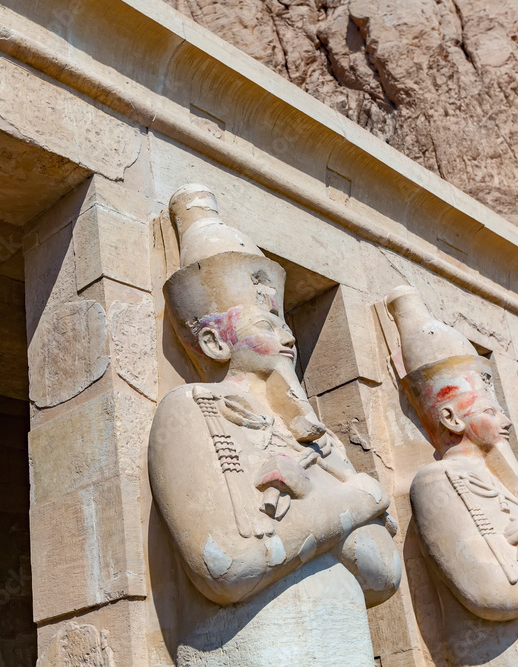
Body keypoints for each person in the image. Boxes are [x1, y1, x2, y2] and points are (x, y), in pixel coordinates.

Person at [149, 183, 400, 665]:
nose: (287, 339)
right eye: (267, 326)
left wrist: (326, 493)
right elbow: (226, 565)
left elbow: (382, 573)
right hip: (255, 646)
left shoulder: (308, 436)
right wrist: (353, 499)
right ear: (215, 342)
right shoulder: (191, 408)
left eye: (287, 327)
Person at [387, 286, 518, 666]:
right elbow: (496, 593)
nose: (505, 422)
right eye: (489, 410)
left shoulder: (513, 494)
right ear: (451, 418)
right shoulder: (438, 482)